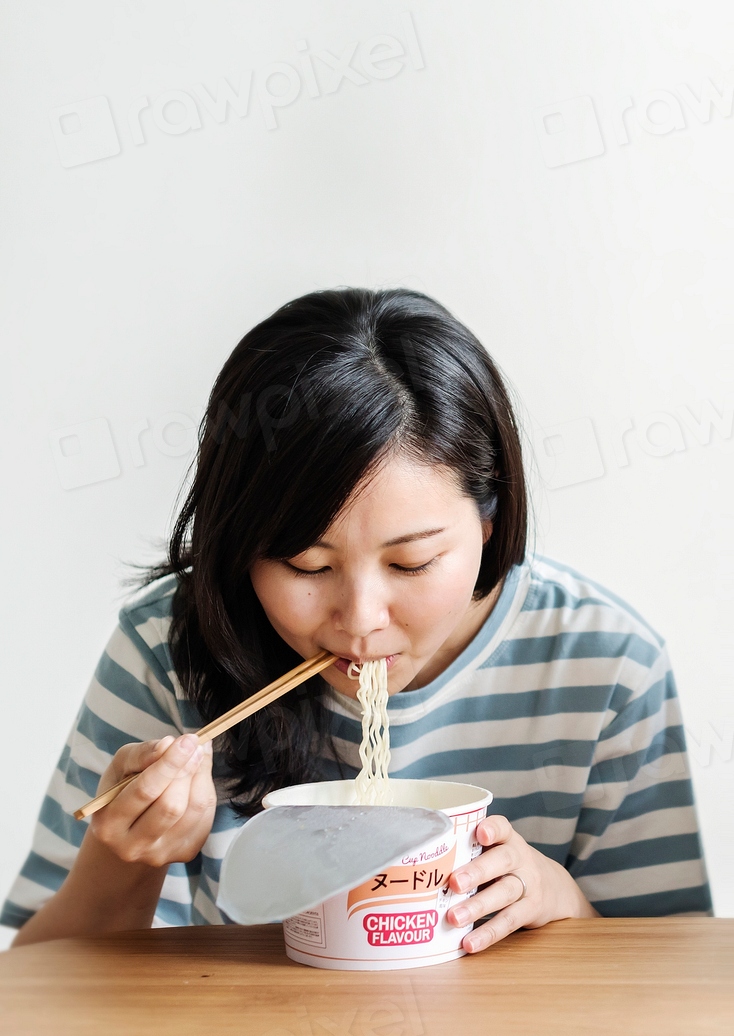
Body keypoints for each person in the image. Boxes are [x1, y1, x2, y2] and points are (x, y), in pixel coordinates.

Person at [3, 287, 713, 951]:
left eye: (411, 563)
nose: (361, 619)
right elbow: (36, 984)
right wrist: (126, 859)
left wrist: (561, 901)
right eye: (307, 567)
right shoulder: (170, 646)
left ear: (490, 522)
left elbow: (674, 976)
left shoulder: (605, 663)